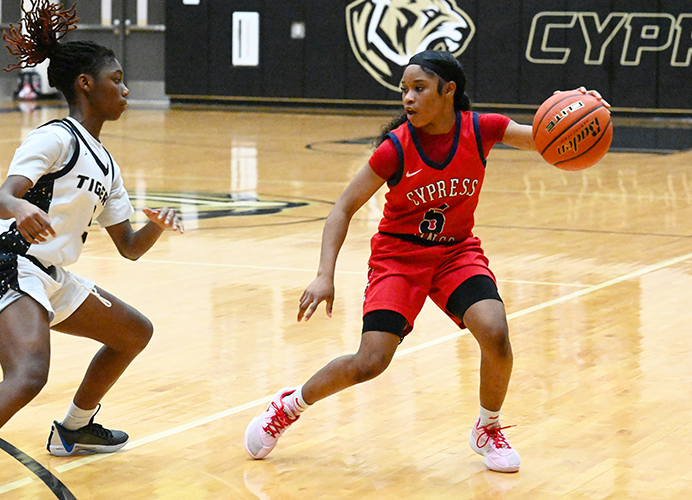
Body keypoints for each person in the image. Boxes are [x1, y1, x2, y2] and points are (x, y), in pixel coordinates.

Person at [244, 50, 610, 473]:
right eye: (404, 90)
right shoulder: (396, 148)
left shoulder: (481, 128)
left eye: (419, 89)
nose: (408, 99)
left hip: (456, 252)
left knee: (495, 334)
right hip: (398, 258)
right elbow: (342, 208)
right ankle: (289, 406)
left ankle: (487, 427)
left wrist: (584, 108)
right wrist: (324, 274)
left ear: (448, 90)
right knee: (370, 363)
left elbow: (546, 137)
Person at [0, 0, 183, 500]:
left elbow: (129, 248)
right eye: (116, 79)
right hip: (8, 261)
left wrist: (156, 226)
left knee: (134, 333)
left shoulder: (109, 166)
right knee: (29, 374)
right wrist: (22, 208)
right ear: (85, 84)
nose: (125, 88)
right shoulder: (55, 137)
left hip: (51, 273)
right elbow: (1, 196)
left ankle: (74, 428)